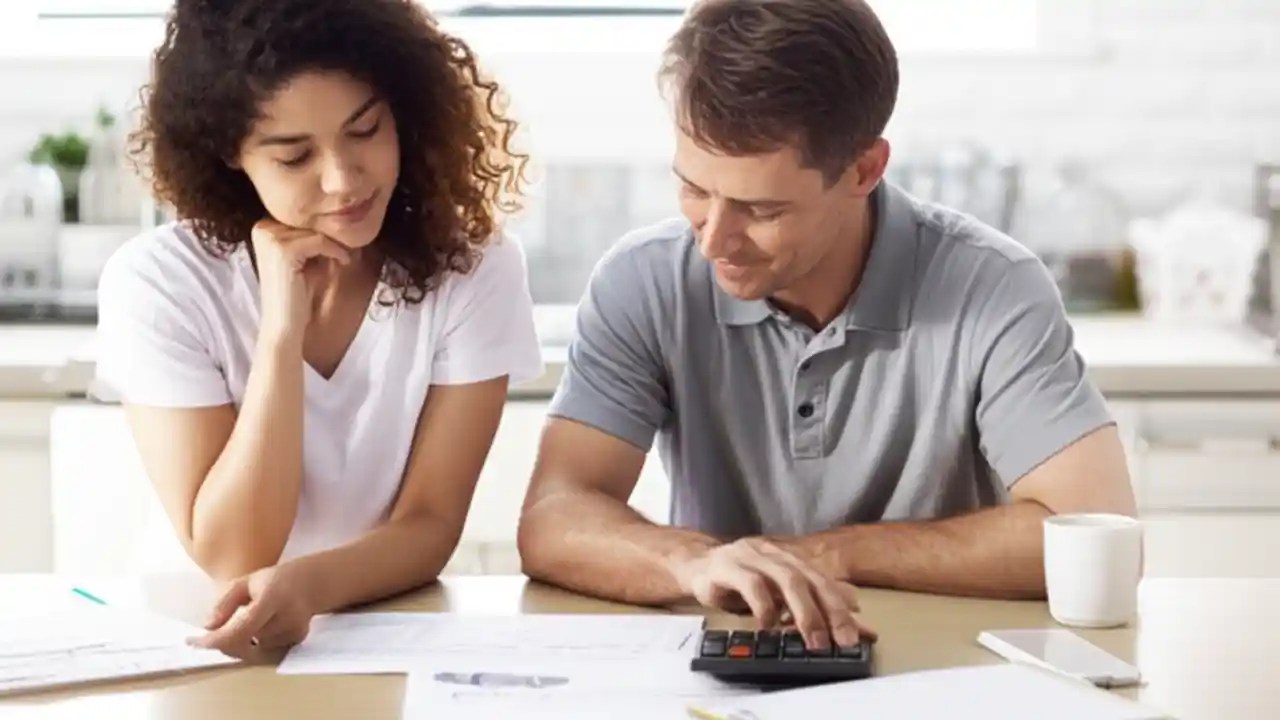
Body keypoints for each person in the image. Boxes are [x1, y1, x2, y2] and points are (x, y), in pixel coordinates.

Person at [518, 0, 1136, 653]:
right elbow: (554, 516)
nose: (714, 241)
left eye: (760, 208)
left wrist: (822, 555)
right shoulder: (641, 283)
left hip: (945, 668)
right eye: (695, 189)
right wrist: (692, 563)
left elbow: (1091, 531)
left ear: (864, 170)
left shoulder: (994, 288)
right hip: (729, 673)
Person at [95, 0, 541, 658]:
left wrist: (308, 589)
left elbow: (431, 523)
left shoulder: (474, 269)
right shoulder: (159, 282)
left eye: (365, 130)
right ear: (231, 155)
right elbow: (235, 553)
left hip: (383, 634)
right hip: (197, 642)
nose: (342, 180)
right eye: (294, 157)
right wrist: (281, 331)